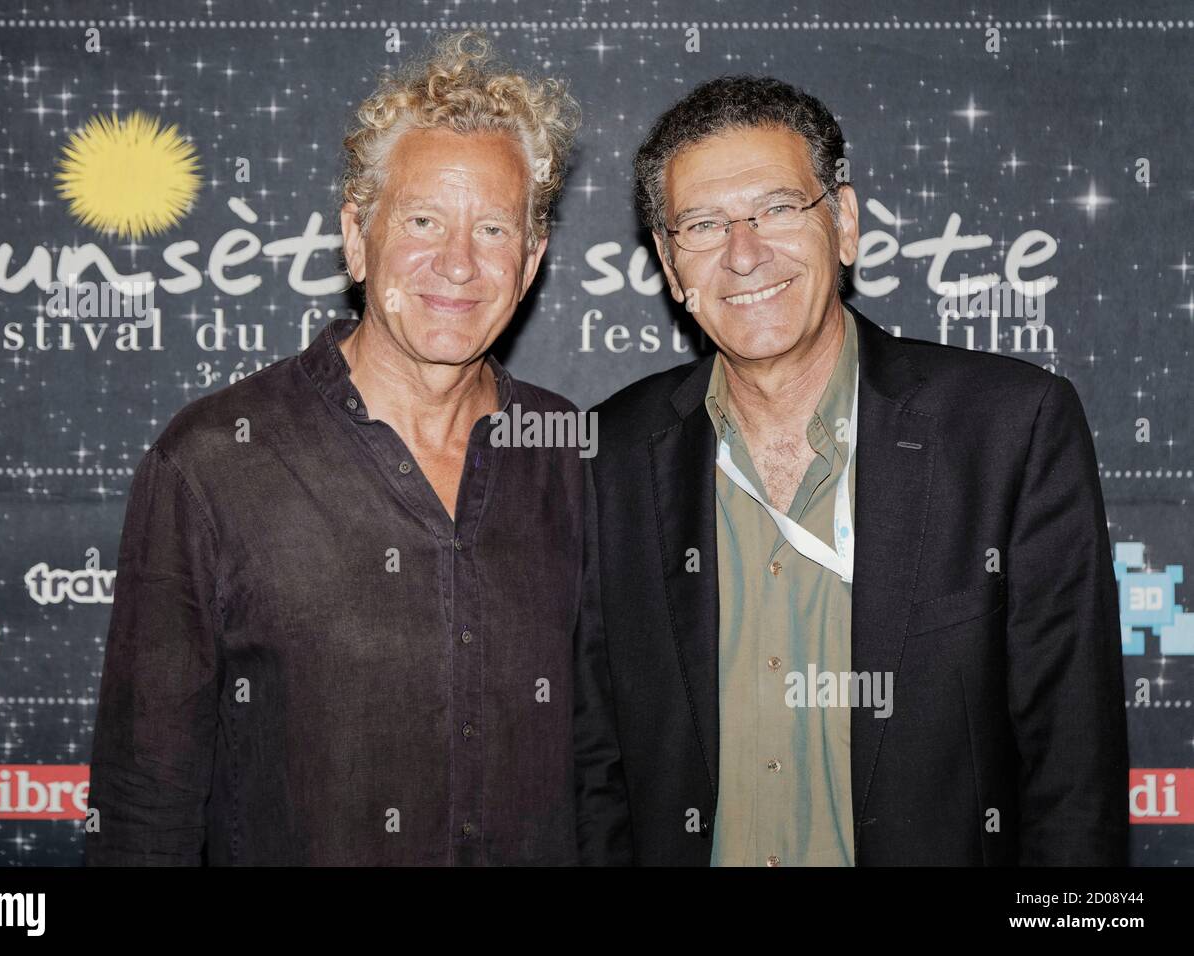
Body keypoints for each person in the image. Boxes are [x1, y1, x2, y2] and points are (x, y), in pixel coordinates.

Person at [574, 75, 1129, 866]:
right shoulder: (609, 454)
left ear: (845, 223)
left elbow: (1076, 772)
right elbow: (595, 766)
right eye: (703, 224)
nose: (743, 252)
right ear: (668, 262)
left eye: (776, 209)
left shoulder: (1009, 429)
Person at [87, 31, 582, 865]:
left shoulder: (573, 453)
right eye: (423, 219)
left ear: (530, 262)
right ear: (357, 236)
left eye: (493, 230)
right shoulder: (213, 461)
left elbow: (605, 764)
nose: (457, 264)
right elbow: (146, 800)